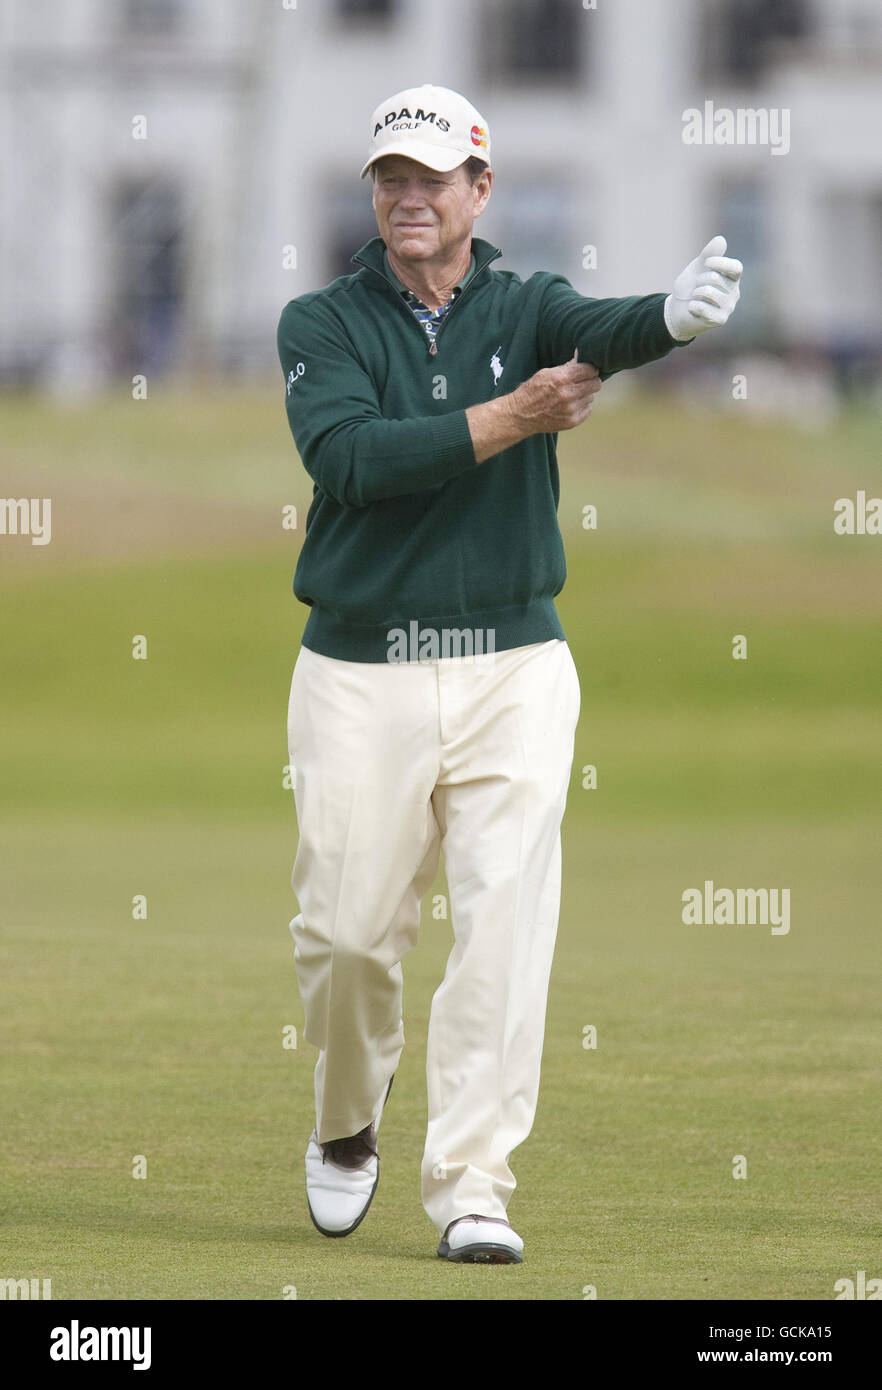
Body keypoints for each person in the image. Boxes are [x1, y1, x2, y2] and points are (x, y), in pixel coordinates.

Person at [277, 83, 742, 1264]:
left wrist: (673, 324)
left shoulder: (526, 303)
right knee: (343, 934)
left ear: (481, 192)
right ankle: (344, 1124)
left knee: (503, 922)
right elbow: (353, 461)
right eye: (392, 177)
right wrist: (514, 417)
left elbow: (602, 326)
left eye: (435, 178)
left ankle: (472, 1182)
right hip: (360, 669)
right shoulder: (320, 324)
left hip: (515, 665)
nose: (409, 197)